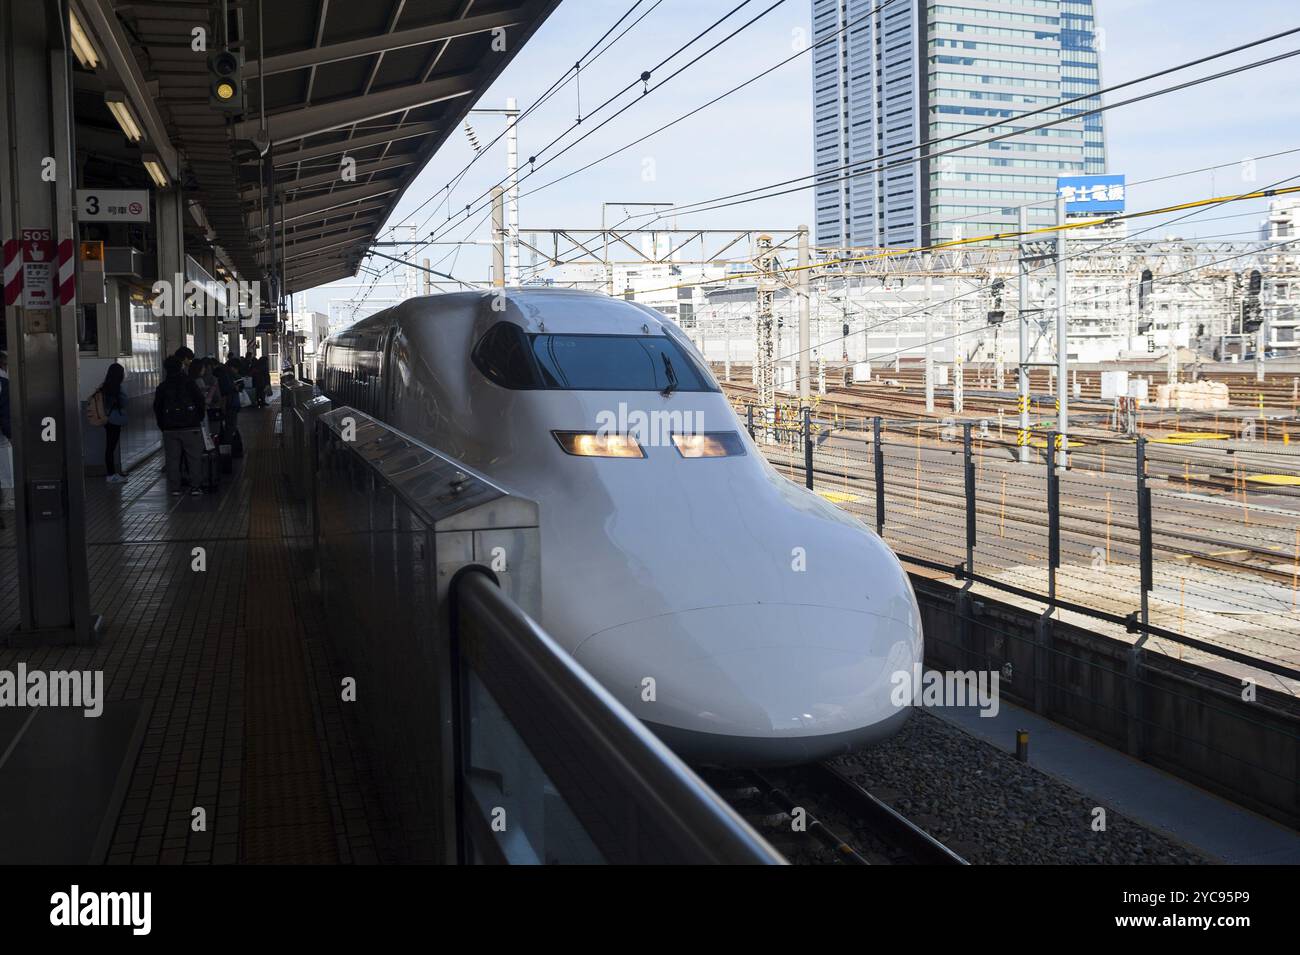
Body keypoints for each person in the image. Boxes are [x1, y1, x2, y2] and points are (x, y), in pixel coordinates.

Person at [153, 355, 207, 496]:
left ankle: (175, 488)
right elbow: (200, 401)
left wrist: (163, 425)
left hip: (170, 428)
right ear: (181, 367)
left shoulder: (162, 387)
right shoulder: (190, 383)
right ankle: (196, 487)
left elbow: (157, 408)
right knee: (194, 457)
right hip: (191, 427)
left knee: (172, 459)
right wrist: (198, 418)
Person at [100, 362, 129, 483]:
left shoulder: (104, 387)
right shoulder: (117, 388)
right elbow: (124, 403)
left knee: (109, 447)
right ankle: (111, 474)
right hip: (115, 420)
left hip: (106, 420)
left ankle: (111, 473)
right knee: (111, 447)